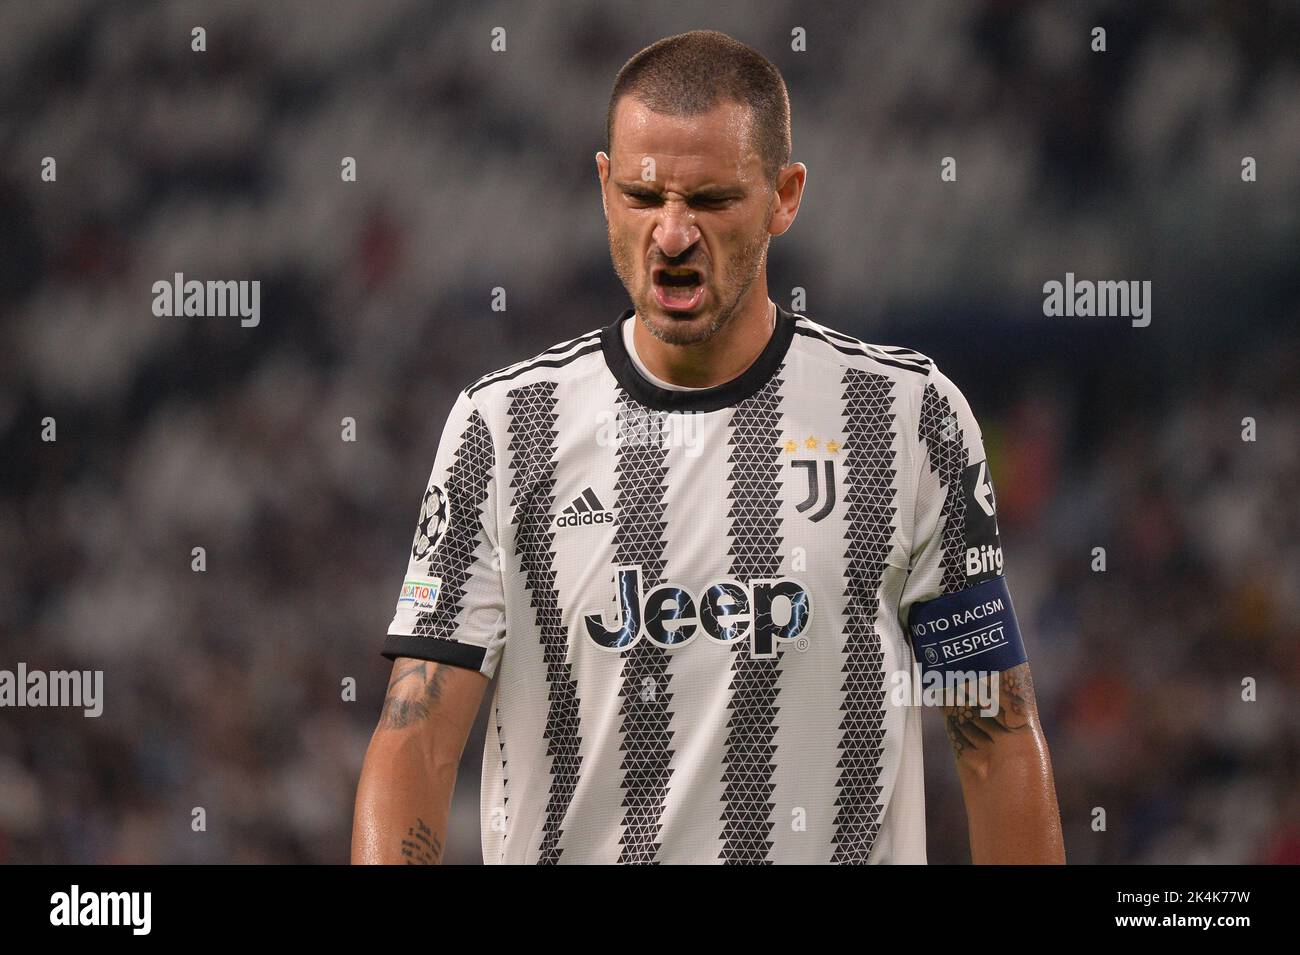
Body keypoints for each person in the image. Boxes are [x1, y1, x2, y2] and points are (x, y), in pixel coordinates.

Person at [352, 29, 1064, 864]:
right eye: (644, 198)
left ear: (784, 196)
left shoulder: (909, 418)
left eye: (713, 200)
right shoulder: (503, 427)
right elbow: (416, 742)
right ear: (603, 187)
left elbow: (995, 737)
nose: (674, 233)